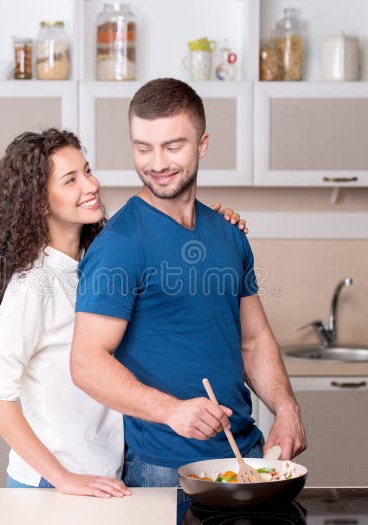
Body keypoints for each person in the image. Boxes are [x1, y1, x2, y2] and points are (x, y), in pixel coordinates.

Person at [0, 128, 249, 497]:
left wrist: (217, 225)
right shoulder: (33, 284)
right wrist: (63, 478)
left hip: (105, 475)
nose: (91, 184)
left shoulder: (98, 261)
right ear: (39, 203)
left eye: (87, 170)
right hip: (54, 482)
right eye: (71, 180)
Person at [70, 78, 307, 488]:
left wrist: (287, 410)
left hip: (246, 454)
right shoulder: (120, 244)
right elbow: (86, 363)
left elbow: (253, 341)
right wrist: (171, 411)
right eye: (143, 148)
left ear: (202, 143)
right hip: (165, 467)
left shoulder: (228, 233)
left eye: (173, 146)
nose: (156, 162)